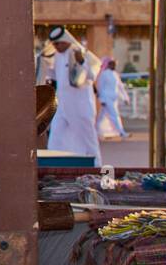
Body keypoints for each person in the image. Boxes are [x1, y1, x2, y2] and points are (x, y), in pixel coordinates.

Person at [40, 26, 102, 166]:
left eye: (58, 43)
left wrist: (82, 62)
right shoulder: (57, 56)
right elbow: (56, 76)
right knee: (56, 139)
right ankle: (54, 168)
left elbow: (91, 75)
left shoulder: (80, 53)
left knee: (88, 140)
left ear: (65, 41)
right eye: (54, 44)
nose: (56, 47)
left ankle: (98, 168)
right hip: (62, 106)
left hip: (80, 106)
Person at [95, 58, 128, 140]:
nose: (114, 66)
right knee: (114, 115)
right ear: (108, 65)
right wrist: (102, 99)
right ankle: (122, 132)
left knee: (101, 117)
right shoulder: (104, 74)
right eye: (112, 64)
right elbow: (100, 87)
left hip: (114, 98)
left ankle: (95, 132)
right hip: (106, 98)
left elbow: (120, 87)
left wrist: (125, 98)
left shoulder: (115, 74)